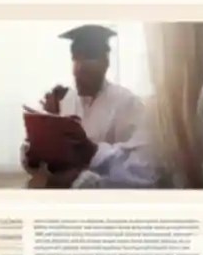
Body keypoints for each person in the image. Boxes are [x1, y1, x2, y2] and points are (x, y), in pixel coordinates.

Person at [21, 24, 159, 189]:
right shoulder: (64, 101)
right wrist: (32, 151)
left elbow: (136, 173)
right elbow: (45, 161)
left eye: (87, 59)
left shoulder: (127, 104)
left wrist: (85, 167)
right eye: (75, 58)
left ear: (105, 62)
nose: (78, 68)